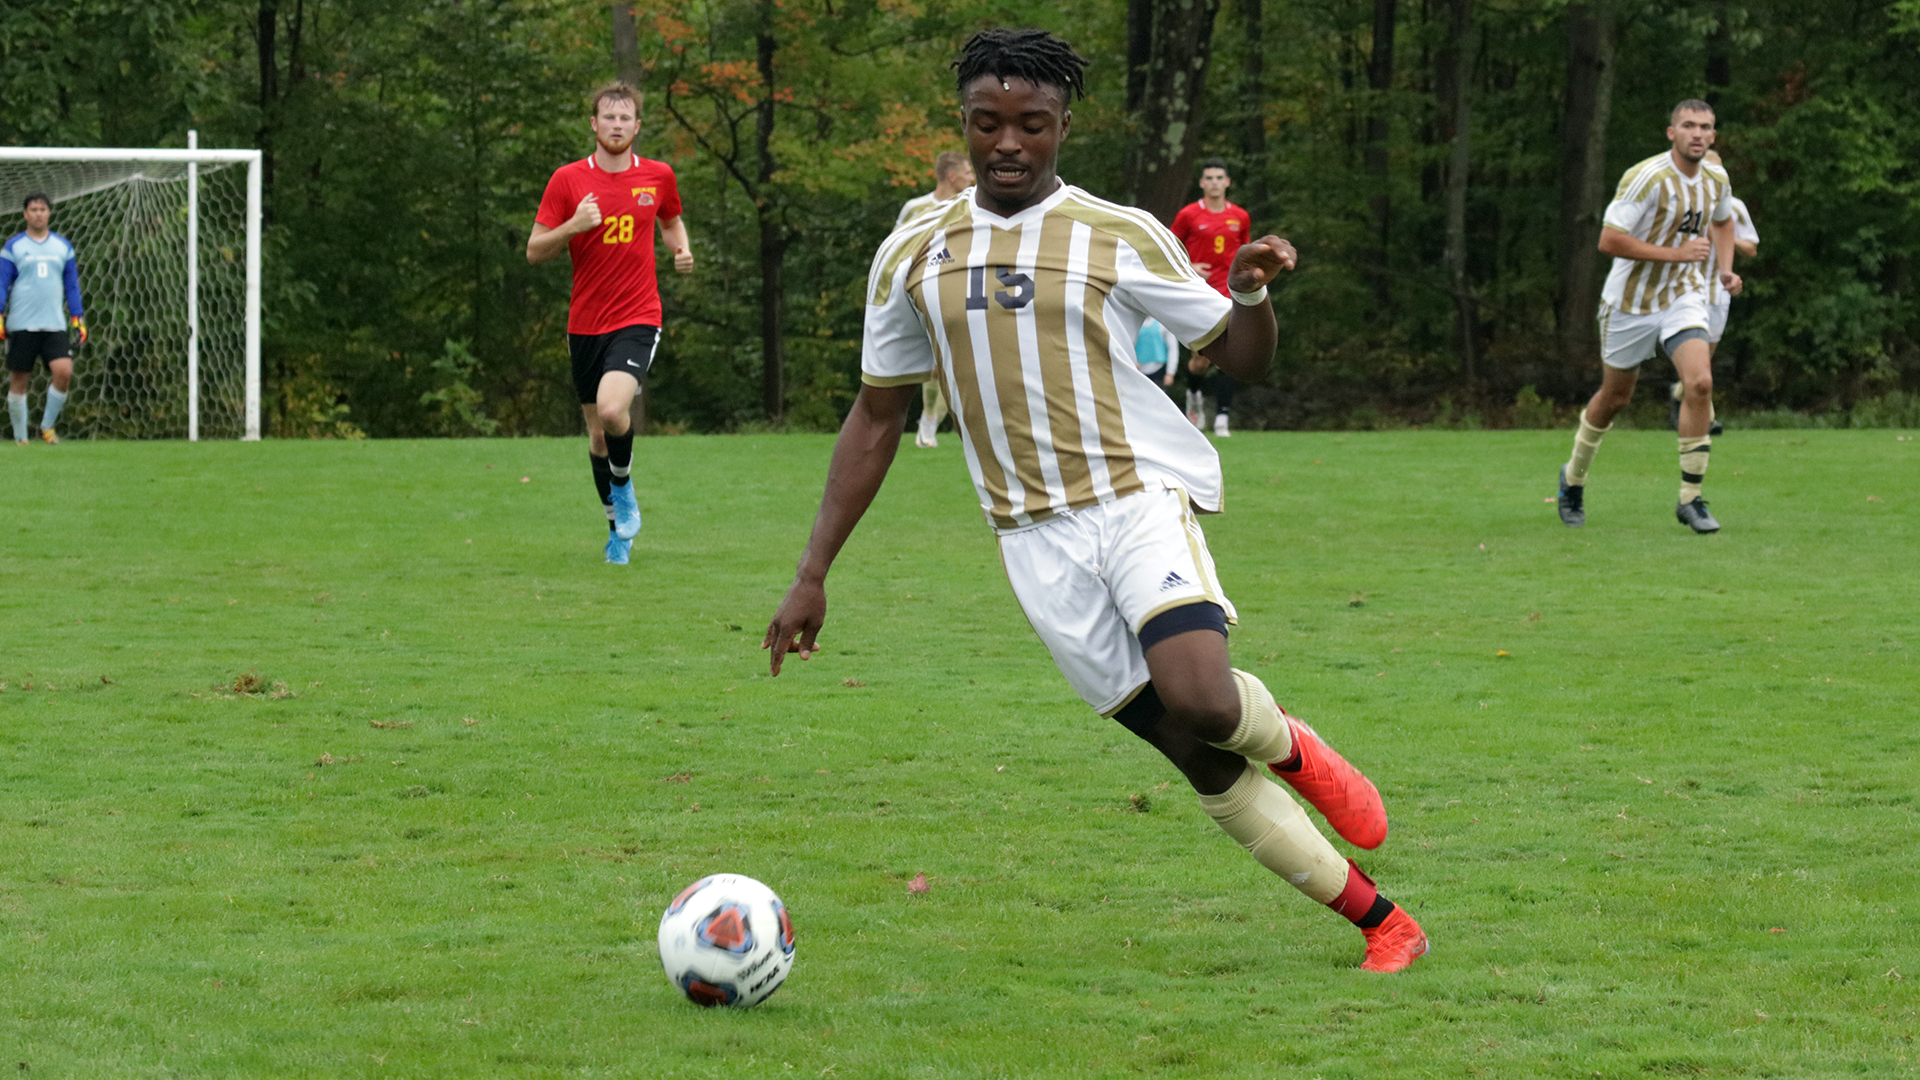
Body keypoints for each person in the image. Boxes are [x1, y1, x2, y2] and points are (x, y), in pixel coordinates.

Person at [764, 29, 1427, 973]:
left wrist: (1248, 296)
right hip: (1031, 541)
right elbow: (875, 417)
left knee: (1201, 697)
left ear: (1062, 127)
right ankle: (1383, 924)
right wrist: (812, 572)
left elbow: (1239, 356)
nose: (1007, 144)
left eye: (1031, 125)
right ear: (964, 123)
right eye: (987, 123)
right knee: (1195, 757)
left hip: (1133, 496)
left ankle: (1296, 751)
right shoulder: (913, 250)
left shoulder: (1117, 233)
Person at [1557, 99, 1741, 534]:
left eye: (1706, 127)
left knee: (1700, 382)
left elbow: (1724, 222)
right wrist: (1677, 253)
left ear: (1713, 136)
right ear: (1671, 133)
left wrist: (1725, 269)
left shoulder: (1716, 178)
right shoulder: (1647, 178)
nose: (1697, 134)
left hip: (1682, 294)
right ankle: (1572, 479)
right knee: (1615, 398)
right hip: (1629, 303)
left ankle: (1691, 500)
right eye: (1688, 126)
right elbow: (1609, 240)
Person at [529, 82, 693, 565]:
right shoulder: (567, 181)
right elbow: (535, 251)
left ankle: (623, 491)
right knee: (598, 437)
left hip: (638, 316)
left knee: (613, 411)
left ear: (637, 127)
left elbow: (671, 221)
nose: (617, 126)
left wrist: (681, 250)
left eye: (626, 119)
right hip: (584, 324)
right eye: (609, 118)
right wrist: (572, 226)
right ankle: (616, 530)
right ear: (594, 125)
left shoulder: (659, 176)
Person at [1669, 149, 1757, 433]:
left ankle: (1679, 392)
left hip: (1718, 288)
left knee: (1706, 355)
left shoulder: (1735, 206)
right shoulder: (1684, 204)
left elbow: (1751, 248)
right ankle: (1707, 419)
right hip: (1687, 287)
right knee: (1696, 355)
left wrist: (1724, 235)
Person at [1170, 159, 1252, 438]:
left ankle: (1222, 418)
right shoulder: (1189, 215)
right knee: (1202, 359)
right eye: (1210, 178)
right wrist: (1190, 266)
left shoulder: (1240, 216)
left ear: (1228, 182)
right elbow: (1168, 247)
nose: (1215, 182)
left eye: (1220, 177)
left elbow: (1245, 252)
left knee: (1230, 354)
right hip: (1199, 292)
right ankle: (1193, 395)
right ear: (1202, 183)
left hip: (1229, 293)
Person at [900, 152, 977, 447]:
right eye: (968, 173)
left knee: (952, 367)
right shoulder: (916, 208)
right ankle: (928, 426)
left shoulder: (973, 209)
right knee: (932, 367)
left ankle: (930, 424)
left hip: (961, 294)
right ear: (952, 177)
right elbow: (896, 248)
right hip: (925, 295)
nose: (972, 178)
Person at [2, 193, 87, 446]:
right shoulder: (13, 247)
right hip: (22, 324)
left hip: (54, 324)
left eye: (42, 209)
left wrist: (77, 318)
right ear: (25, 214)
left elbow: (71, 285)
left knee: (64, 371)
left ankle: (47, 427)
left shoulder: (62, 247)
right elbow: (1, 283)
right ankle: (21, 438)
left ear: (49, 213)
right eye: (33, 209)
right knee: (19, 379)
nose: (38, 213)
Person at [1135, 316, 1177, 397]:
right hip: (1138, 372)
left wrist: (1170, 373)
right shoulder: (1134, 322)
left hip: (1159, 371)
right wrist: (1132, 361)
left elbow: (1172, 348)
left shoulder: (1163, 323)